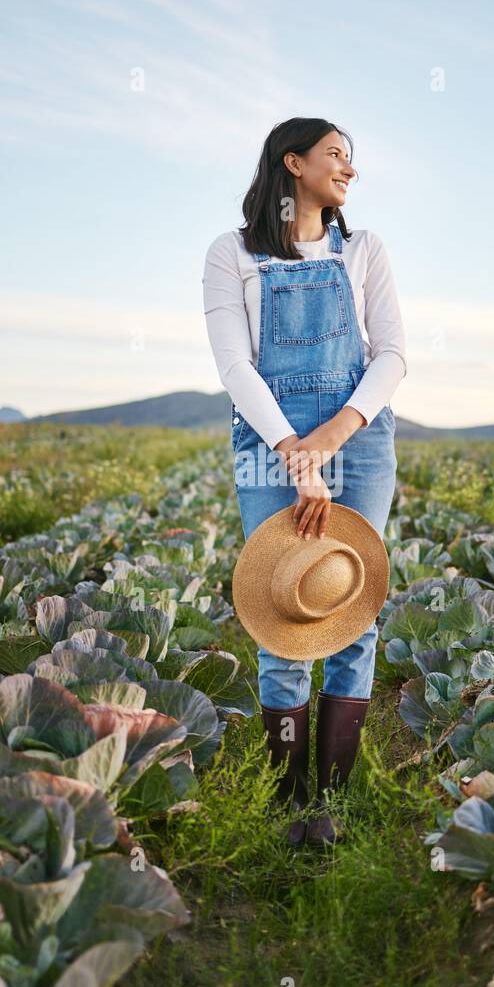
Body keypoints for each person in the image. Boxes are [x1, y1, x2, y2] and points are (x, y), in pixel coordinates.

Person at [202, 117, 407, 846]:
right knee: (282, 617)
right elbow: (234, 368)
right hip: (268, 440)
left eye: (350, 159)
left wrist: (330, 436)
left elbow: (391, 357)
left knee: (353, 607)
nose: (348, 169)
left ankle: (334, 803)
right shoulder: (233, 254)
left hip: (357, 437)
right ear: (293, 163)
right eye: (334, 156)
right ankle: (289, 806)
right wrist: (293, 449)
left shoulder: (365, 251)